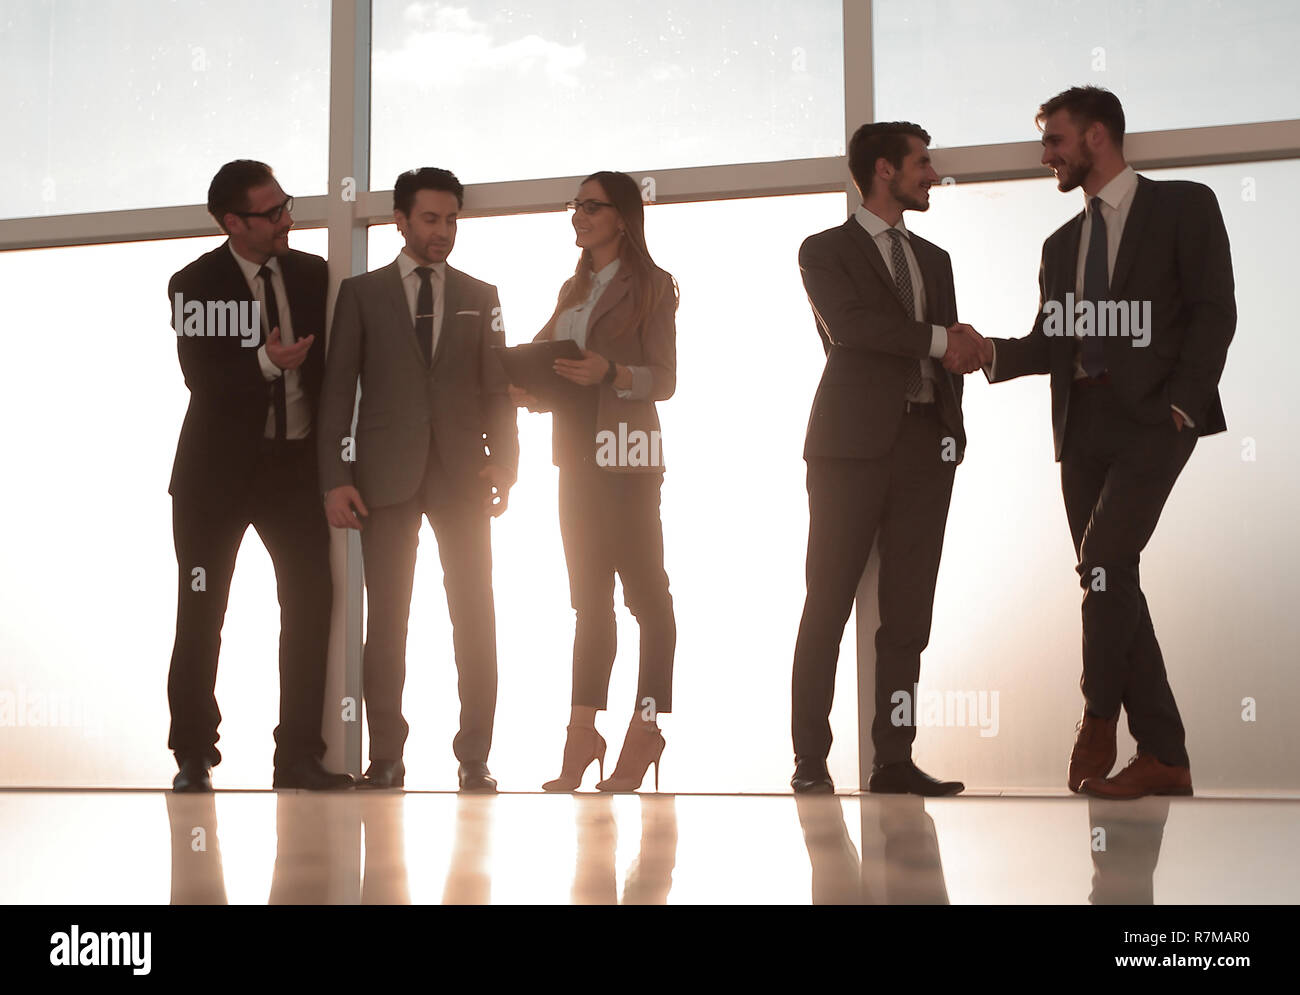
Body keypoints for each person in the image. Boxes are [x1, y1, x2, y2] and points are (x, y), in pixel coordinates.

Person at [976, 86, 1235, 799]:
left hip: (1156, 418)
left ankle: (1097, 714)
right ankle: (1164, 756)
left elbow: (1215, 310)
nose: (1046, 155)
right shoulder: (1060, 245)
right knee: (1111, 577)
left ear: (1095, 137)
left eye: (1054, 140)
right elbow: (1047, 342)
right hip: (1081, 427)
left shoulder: (1185, 205)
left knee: (1104, 557)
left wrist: (1184, 402)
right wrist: (987, 352)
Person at [790, 123, 982, 796]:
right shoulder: (824, 250)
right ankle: (811, 760)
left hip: (928, 446)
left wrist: (953, 426)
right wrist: (939, 340)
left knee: (908, 613)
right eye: (922, 163)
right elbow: (855, 329)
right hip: (849, 447)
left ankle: (892, 760)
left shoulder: (935, 259)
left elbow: (951, 355)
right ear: (883, 171)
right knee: (829, 601)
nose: (931, 175)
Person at [316, 167, 519, 792]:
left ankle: (475, 755)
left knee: (476, 615)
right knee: (388, 621)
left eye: (452, 219)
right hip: (384, 476)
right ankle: (386, 757)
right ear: (401, 221)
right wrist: (334, 477)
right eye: (431, 219)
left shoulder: (481, 295)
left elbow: (498, 388)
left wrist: (506, 462)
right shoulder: (361, 293)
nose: (444, 231)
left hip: (462, 475)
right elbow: (336, 392)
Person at [166, 159, 352, 792]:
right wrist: (268, 365)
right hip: (214, 478)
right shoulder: (193, 284)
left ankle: (296, 756)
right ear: (232, 222)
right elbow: (204, 379)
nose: (287, 220)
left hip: (292, 470)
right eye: (272, 213)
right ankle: (193, 756)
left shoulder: (311, 274)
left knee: (310, 604)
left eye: (285, 204)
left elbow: (331, 371)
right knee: (201, 609)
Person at [510, 170, 678, 792]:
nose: (577, 216)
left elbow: (663, 379)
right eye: (574, 206)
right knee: (588, 601)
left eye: (591, 207)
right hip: (575, 457)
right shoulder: (571, 287)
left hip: (629, 457)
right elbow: (552, 361)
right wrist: (529, 385)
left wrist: (611, 372)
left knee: (648, 600)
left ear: (623, 218)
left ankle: (646, 728)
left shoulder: (654, 287)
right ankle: (583, 733)